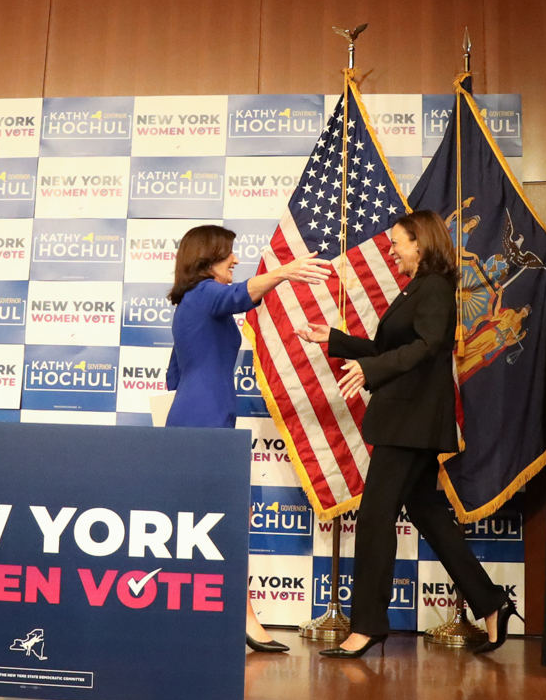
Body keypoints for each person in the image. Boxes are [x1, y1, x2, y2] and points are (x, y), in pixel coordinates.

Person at [296, 210, 518, 658]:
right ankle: (491, 602)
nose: (391, 250)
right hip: (410, 421)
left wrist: (370, 370)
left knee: (377, 519)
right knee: (429, 515)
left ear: (420, 243)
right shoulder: (417, 288)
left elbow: (428, 346)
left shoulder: (434, 286)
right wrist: (336, 339)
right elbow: (391, 348)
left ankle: (367, 626)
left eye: (397, 242)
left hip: (411, 423)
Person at [166, 224, 330, 652]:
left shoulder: (188, 304)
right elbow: (239, 295)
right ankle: (244, 619)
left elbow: (174, 376)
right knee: (222, 525)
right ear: (205, 260)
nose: (235, 260)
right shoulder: (203, 294)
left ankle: (234, 617)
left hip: (194, 416)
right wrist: (285, 271)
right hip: (207, 421)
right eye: (227, 254)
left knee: (210, 527)